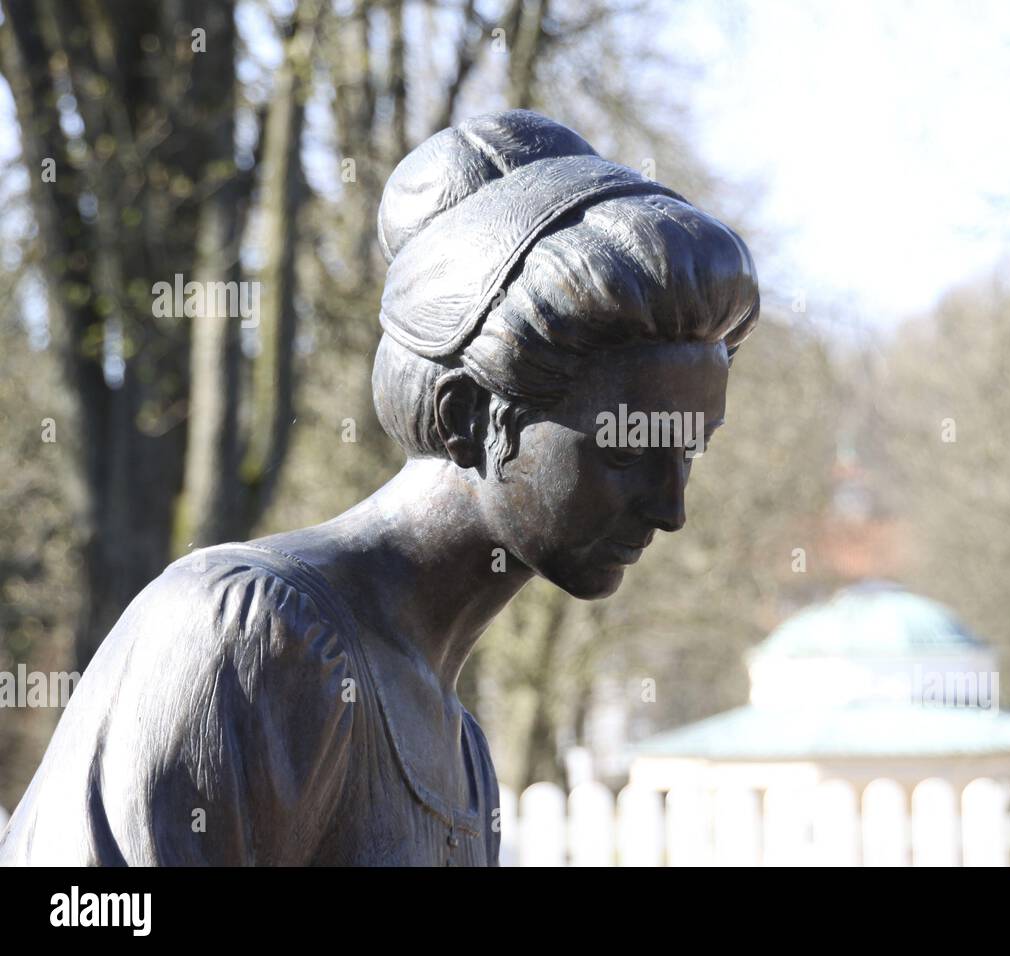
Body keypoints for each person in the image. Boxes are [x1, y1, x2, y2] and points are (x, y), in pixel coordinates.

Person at [0, 109, 759, 866]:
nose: (672, 508)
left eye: (691, 450)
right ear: (469, 415)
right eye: (627, 449)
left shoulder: (463, 752)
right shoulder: (249, 636)